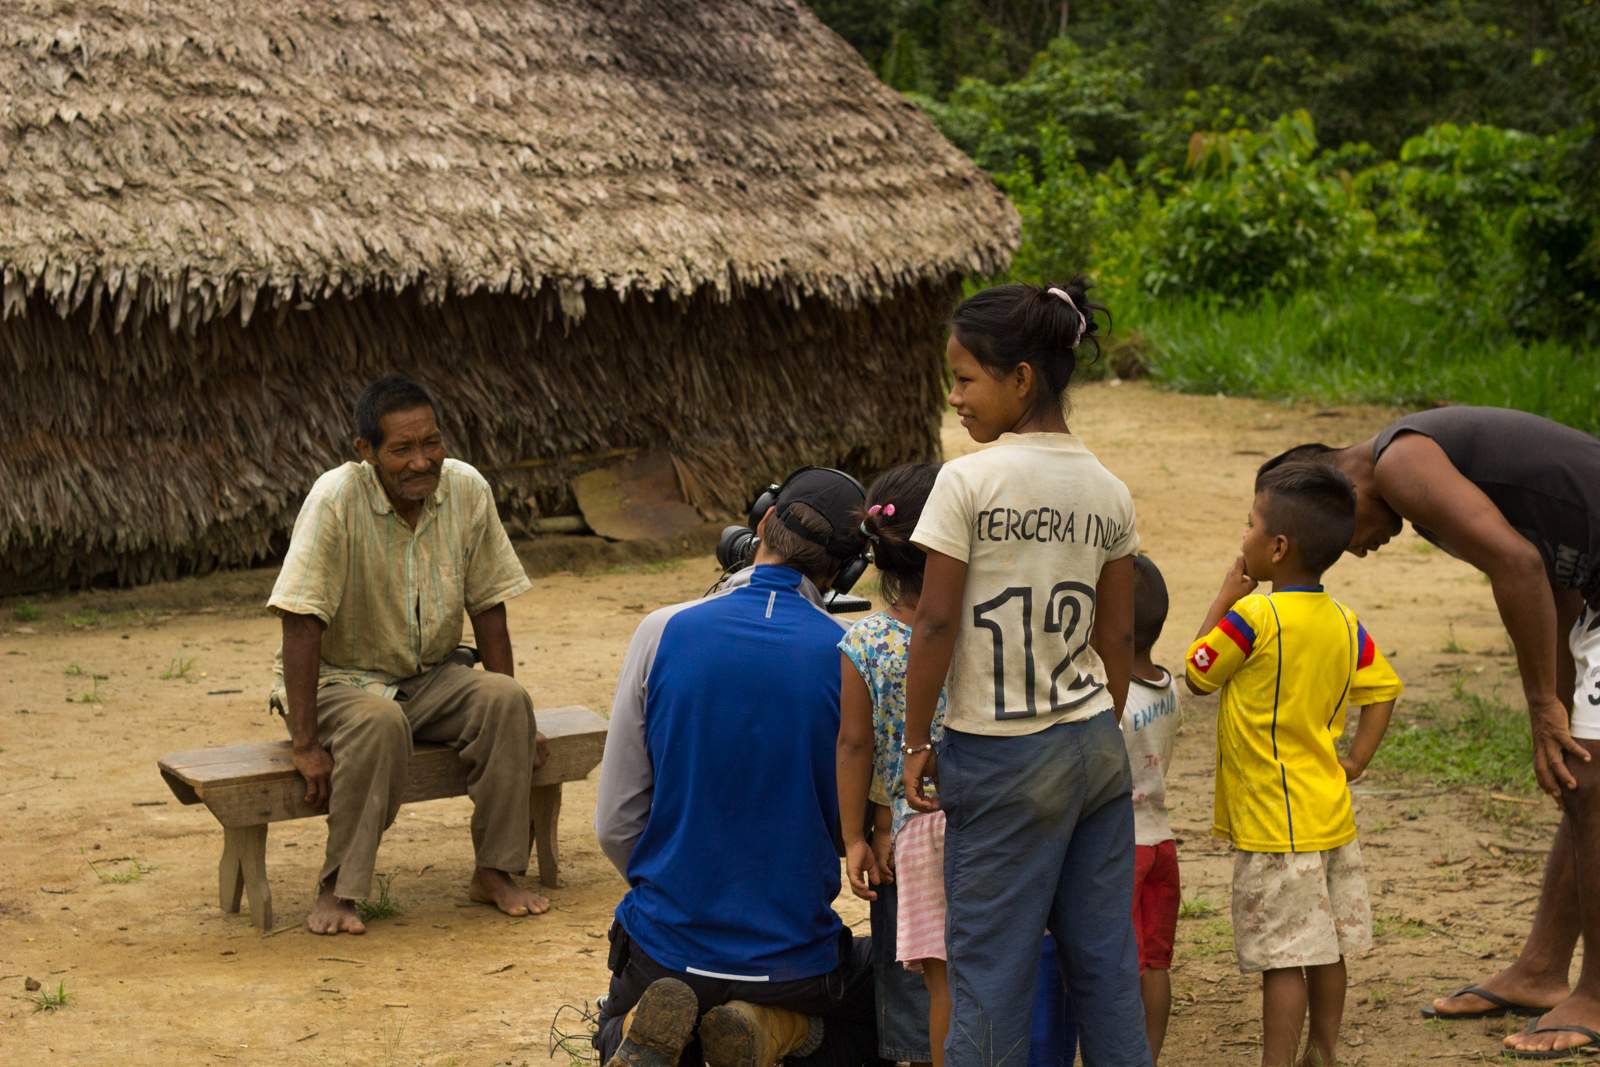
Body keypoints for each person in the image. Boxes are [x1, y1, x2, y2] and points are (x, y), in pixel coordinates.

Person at [1261, 408, 1600, 1058]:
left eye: (1340, 538)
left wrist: (1540, 708)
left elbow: (1520, 565)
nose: (1354, 550)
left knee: (1590, 784)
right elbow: (1550, 571)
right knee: (1579, 775)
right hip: (1589, 586)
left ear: (1339, 488)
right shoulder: (1416, 471)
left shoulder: (1402, 463)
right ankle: (1541, 970)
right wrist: (1559, 706)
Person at [899, 279, 1151, 1067]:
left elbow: (935, 621)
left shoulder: (968, 483)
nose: (956, 397)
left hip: (1001, 753)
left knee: (988, 976)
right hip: (1092, 749)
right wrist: (1093, 734)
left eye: (968, 378)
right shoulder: (1109, 490)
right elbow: (1117, 635)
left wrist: (913, 742)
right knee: (1107, 965)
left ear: (1021, 380)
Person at [592, 468, 879, 1067]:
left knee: (624, 1017)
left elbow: (616, 822)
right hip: (792, 962)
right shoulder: (853, 659)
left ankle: (629, 1033)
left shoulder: (661, 631)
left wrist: (681, 898)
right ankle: (774, 1026)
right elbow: (846, 828)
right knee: (869, 1024)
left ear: (762, 524)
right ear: (846, 571)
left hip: (662, 951)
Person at [267, 374, 548, 935]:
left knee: (507, 700)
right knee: (378, 721)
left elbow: (489, 605)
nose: (422, 461)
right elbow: (300, 621)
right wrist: (304, 743)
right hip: (341, 682)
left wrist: (522, 722)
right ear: (366, 452)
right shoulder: (336, 499)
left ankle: (495, 869)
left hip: (432, 675)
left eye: (431, 443)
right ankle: (339, 888)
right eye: (402, 449)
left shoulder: (466, 489)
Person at [837, 463, 1078, 1067]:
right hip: (999, 815)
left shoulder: (864, 644)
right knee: (1007, 970)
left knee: (942, 986)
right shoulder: (986, 625)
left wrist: (858, 835)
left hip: (917, 833)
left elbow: (854, 745)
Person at [1184, 461, 1403, 1067]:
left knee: (1282, 957)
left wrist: (1225, 599)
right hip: (1329, 813)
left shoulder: (1253, 620)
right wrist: (1356, 756)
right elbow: (1382, 689)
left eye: (1250, 525)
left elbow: (1198, 673)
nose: (1243, 536)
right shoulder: (1343, 620)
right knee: (1326, 946)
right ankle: (1323, 1051)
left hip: (1273, 824)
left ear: (1277, 548)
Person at [1119, 555, 1182, 1062]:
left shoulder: (1112, 700)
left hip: (1123, 848)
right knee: (1156, 963)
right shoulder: (1170, 688)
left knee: (1125, 965)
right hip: (1162, 840)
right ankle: (1149, 1057)